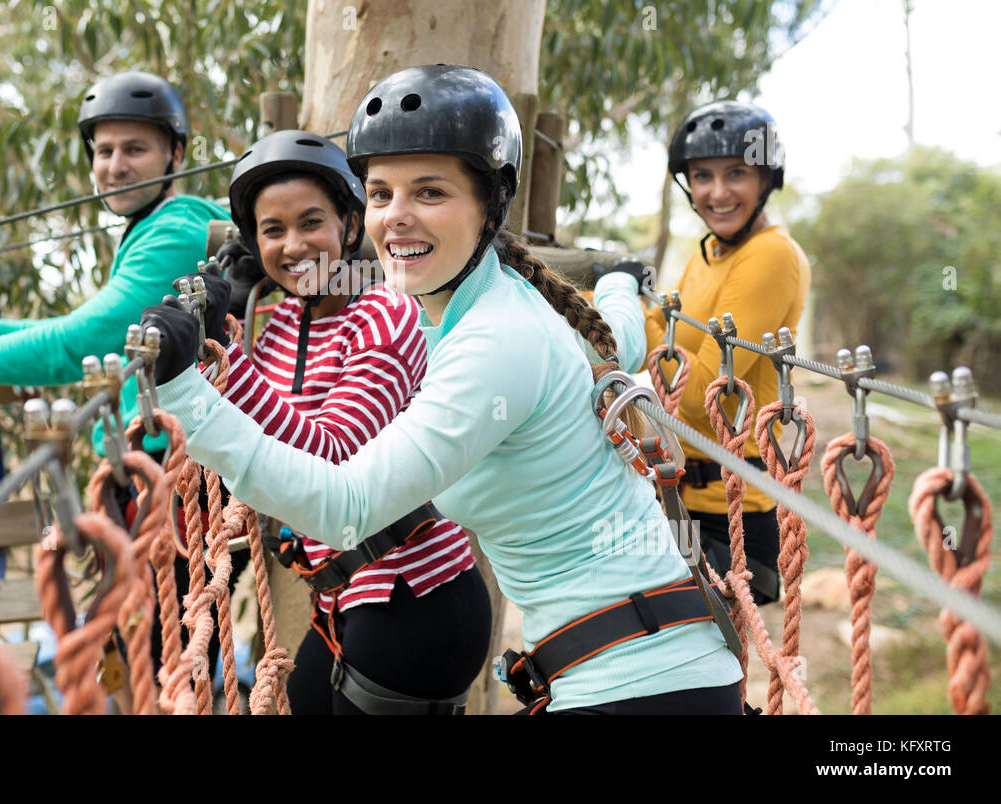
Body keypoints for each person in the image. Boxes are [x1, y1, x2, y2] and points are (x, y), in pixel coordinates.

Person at [140, 64, 744, 714]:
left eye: (429, 193)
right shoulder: (495, 306)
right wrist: (620, 283)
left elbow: (345, 505)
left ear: (491, 202)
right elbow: (614, 337)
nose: (397, 219)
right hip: (645, 657)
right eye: (381, 194)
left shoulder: (495, 340)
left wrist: (186, 388)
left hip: (641, 682)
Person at [212, 128, 489, 714]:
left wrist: (223, 358)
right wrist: (231, 321)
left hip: (416, 597)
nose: (293, 246)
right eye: (272, 230)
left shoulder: (386, 312)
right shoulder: (281, 320)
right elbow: (245, 435)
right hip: (342, 597)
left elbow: (334, 452)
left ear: (350, 226)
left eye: (312, 223)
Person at [0, 70, 229, 460]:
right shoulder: (162, 223)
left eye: (134, 150)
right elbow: (100, 328)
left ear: (175, 155)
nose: (115, 167)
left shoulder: (173, 234)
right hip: (162, 451)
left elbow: (77, 344)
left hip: (173, 462)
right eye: (105, 151)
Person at [645, 100, 812, 604]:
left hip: (734, 522)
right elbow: (664, 343)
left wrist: (639, 322)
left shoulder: (771, 254)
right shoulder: (710, 253)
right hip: (676, 497)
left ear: (766, 178)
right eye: (702, 176)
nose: (717, 193)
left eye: (735, 173)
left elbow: (701, 397)